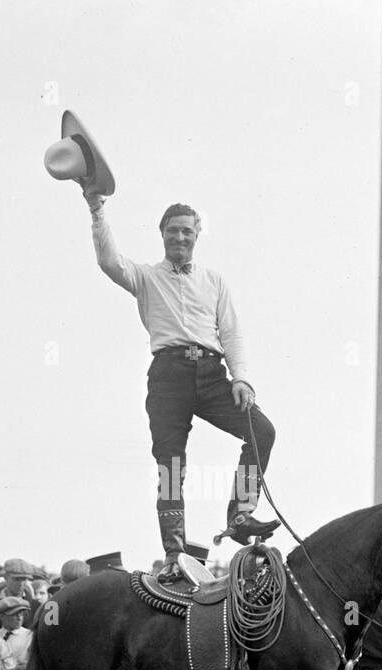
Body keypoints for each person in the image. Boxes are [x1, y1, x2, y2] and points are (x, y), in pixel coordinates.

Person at [82, 184, 278, 582]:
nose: (180, 237)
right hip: (168, 375)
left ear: (197, 235)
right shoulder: (146, 277)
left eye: (187, 231)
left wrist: (242, 379)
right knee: (171, 464)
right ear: (162, 234)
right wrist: (97, 208)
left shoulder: (214, 280)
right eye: (173, 230)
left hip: (210, 373)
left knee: (261, 429)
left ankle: (240, 514)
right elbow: (108, 261)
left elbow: (232, 333)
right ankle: (174, 553)